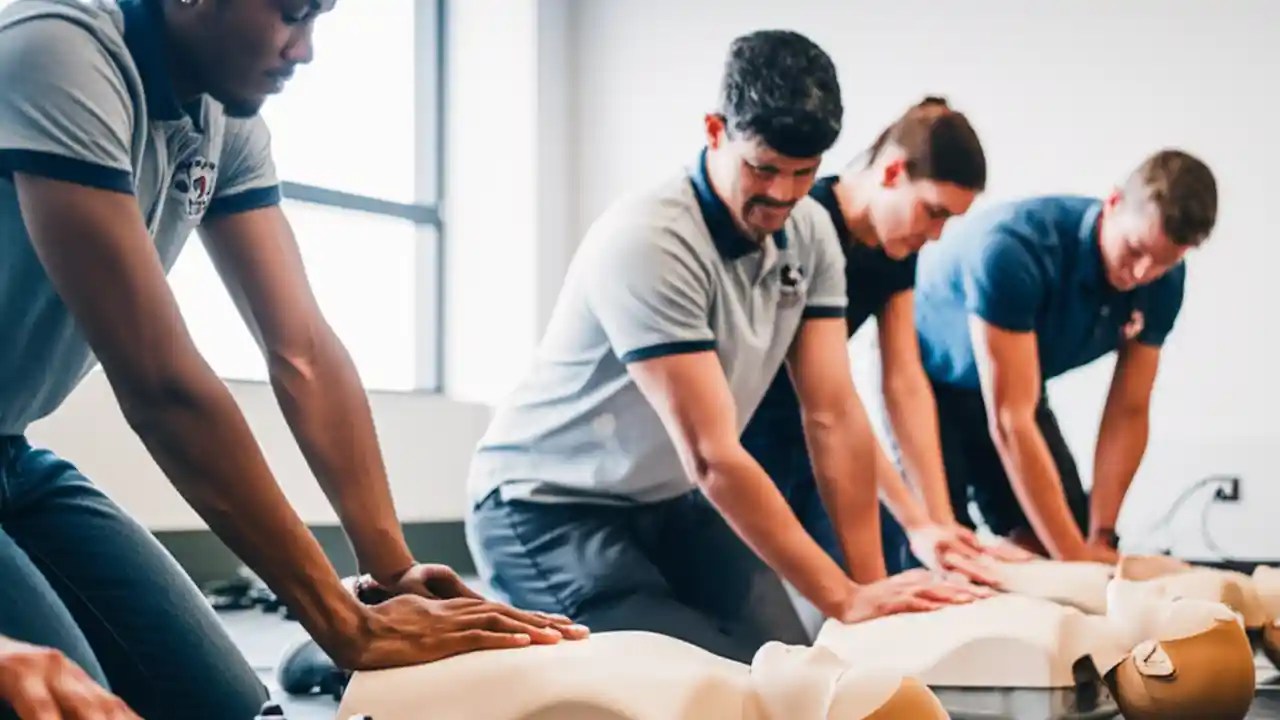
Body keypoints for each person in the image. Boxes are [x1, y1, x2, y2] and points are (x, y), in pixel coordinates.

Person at [0, 0, 582, 718]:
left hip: (12, 457)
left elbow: (302, 350)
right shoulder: (58, 47)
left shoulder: (222, 118)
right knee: (57, 702)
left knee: (229, 705)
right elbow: (161, 385)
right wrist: (343, 626)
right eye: (290, 13)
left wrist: (392, 573)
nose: (303, 50)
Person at [464, 29, 981, 666]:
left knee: (790, 667)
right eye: (762, 168)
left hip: (664, 500)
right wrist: (844, 598)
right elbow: (712, 456)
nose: (783, 196)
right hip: (547, 505)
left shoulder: (811, 229)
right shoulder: (650, 238)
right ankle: (392, 652)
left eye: (804, 174)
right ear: (715, 130)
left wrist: (870, 591)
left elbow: (833, 413)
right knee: (691, 685)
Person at [740, 97, 1030, 581]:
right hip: (758, 438)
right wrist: (915, 519)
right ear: (893, 172)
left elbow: (904, 382)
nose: (935, 235)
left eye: (947, 221)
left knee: (912, 564)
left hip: (822, 435)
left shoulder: (896, 248)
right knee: (854, 586)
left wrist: (941, 521)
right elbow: (830, 401)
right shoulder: (808, 223)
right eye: (932, 212)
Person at [902, 148, 1217, 564]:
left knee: (1070, 527)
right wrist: (1075, 561)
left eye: (1163, 261)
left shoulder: (1163, 281)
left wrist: (1100, 537)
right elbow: (1011, 420)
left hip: (1021, 382)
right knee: (946, 550)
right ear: (1114, 203)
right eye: (1136, 249)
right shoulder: (1013, 251)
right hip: (927, 381)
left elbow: (1129, 408)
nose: (1142, 274)